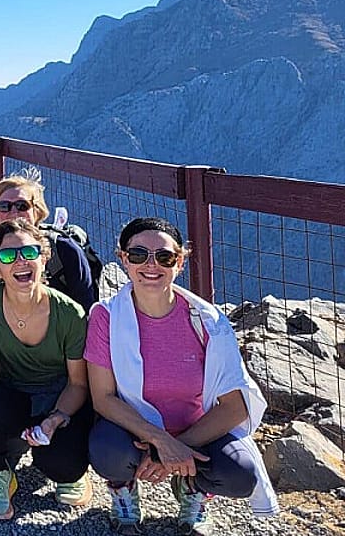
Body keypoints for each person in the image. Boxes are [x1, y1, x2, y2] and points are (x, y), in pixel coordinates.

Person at [85, 217, 278, 534]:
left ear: (180, 262)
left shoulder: (207, 320)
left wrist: (177, 448)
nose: (151, 265)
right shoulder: (106, 316)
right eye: (138, 255)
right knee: (109, 452)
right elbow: (103, 398)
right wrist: (160, 441)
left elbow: (236, 405)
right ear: (122, 258)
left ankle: (194, 489)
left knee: (241, 474)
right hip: (136, 430)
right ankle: (123, 489)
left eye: (164, 257)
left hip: (196, 431)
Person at [0, 219, 93, 520]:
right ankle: (0, 471)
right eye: (8, 256)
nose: (20, 262)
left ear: (44, 258)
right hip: (10, 391)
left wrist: (57, 418)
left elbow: (78, 384)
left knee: (64, 465)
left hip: (57, 396)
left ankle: (68, 467)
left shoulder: (71, 314)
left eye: (29, 252)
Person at [0, 172, 94, 322]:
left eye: (22, 206)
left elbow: (87, 312)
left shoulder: (65, 251)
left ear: (37, 211)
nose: (14, 213)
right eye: (4, 206)